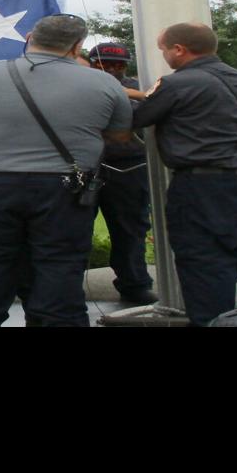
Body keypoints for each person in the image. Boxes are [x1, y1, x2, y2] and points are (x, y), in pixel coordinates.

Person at [0, 14, 132, 327]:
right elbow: (119, 135)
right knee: (60, 262)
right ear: (77, 46)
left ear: (29, 37)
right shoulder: (103, 82)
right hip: (64, 187)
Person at [133, 23, 237, 325]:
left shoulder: (175, 84)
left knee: (206, 265)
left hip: (207, 186)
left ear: (179, 49)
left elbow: (139, 117)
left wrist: (120, 93)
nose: (164, 56)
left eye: (164, 49)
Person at [88, 42, 158, 305]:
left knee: (131, 230)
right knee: (73, 230)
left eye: (118, 65)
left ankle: (134, 284)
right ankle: (67, 286)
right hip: (85, 166)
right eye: (103, 64)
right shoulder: (78, 87)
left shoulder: (136, 88)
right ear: (92, 63)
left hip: (128, 167)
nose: (111, 69)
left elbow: (136, 118)